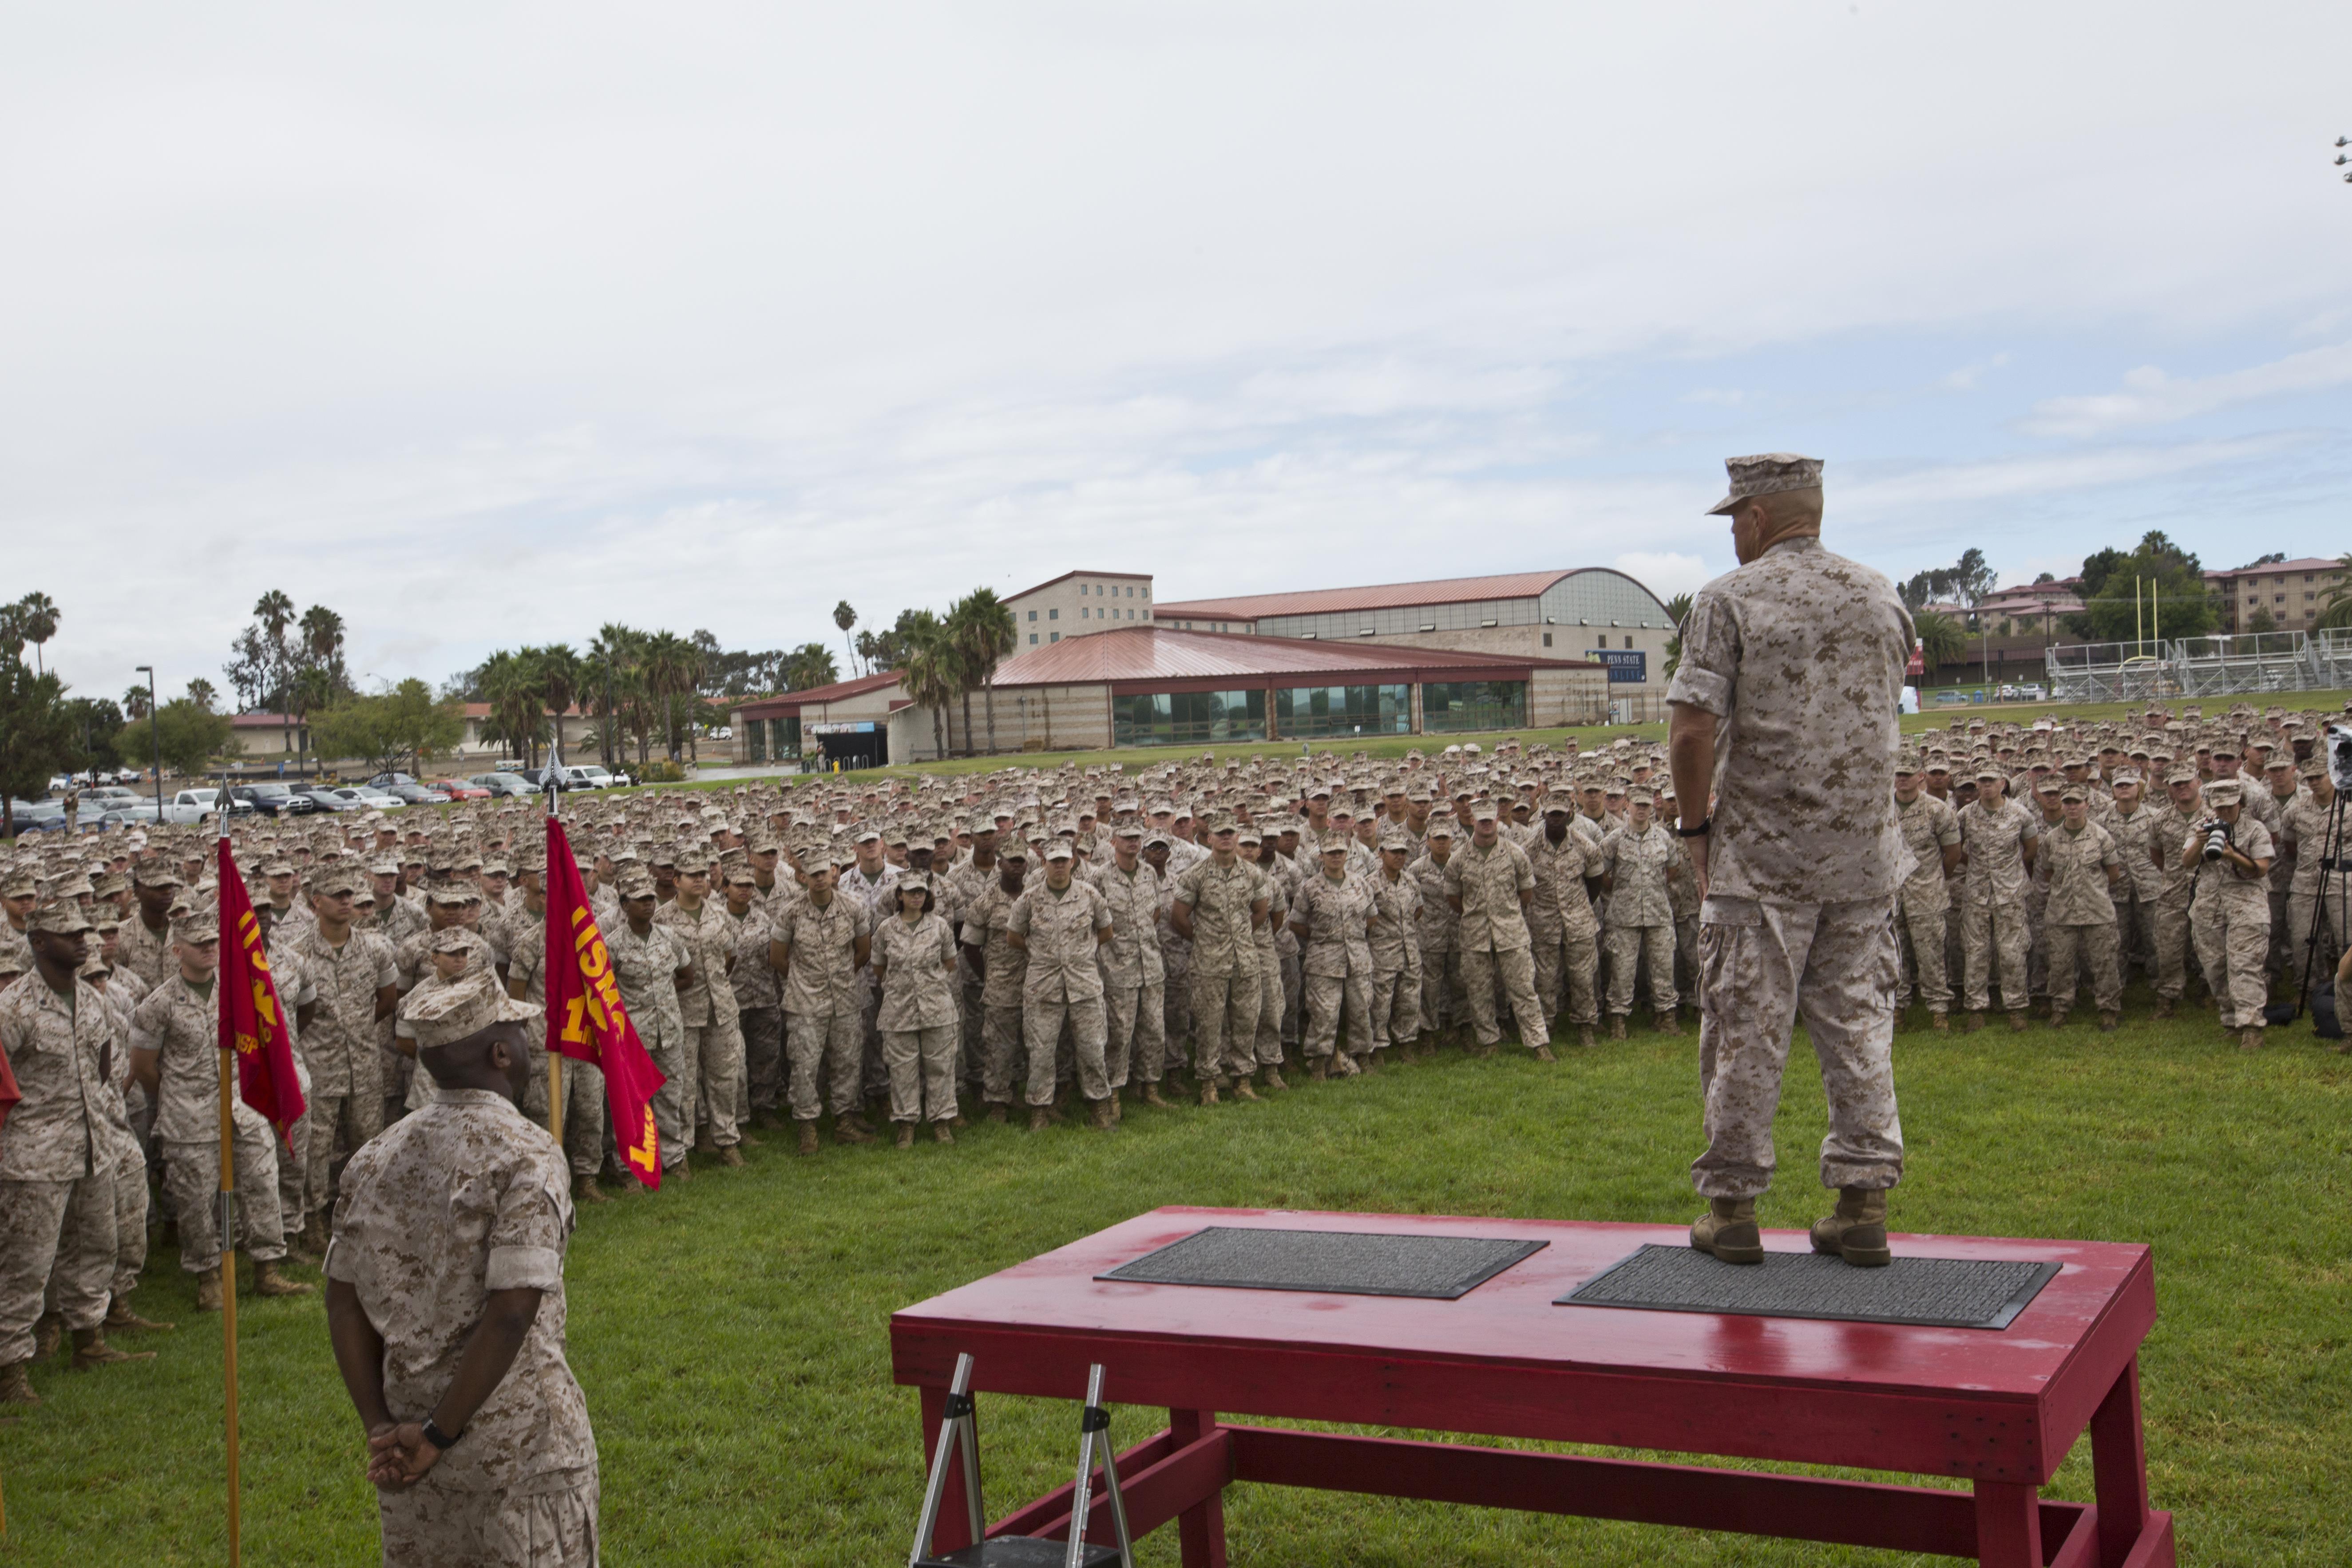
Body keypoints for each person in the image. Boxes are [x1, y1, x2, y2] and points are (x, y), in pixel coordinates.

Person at [1667, 452, 1909, 1269]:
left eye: (1734, 518)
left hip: (1761, 864)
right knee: (1859, 1028)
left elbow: (1691, 729)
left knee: (1745, 1030)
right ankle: (1862, 1206)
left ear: (1758, 517)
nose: (1733, 534)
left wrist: (1695, 830)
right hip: (1862, 861)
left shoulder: (1728, 599)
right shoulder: (1880, 594)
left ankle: (1732, 1210)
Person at [324, 970, 599, 1567]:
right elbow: (512, 1311)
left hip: (408, 1446)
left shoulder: (374, 1156)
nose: (527, 1042)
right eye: (518, 1031)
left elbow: (343, 1300)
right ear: (501, 1053)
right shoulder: (526, 1153)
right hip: (519, 1452)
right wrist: (438, 1434)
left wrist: (380, 1425)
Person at [0, 903, 151, 1402]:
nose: (83, 941)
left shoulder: (92, 1000)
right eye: (69, 935)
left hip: (93, 1148)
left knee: (95, 1249)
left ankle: (88, 1341)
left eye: (84, 932)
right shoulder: (13, 1007)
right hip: (33, 1158)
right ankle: (9, 1368)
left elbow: (105, 1066)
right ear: (39, 942)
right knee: (26, 1265)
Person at [128, 912, 313, 1310]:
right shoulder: (158, 1005)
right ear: (178, 951)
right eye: (199, 943)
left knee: (263, 1183)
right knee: (195, 1199)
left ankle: (267, 1267)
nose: (209, 948)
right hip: (190, 1116)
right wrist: (181, 1094)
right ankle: (207, 1275)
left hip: (245, 1107)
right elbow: (143, 1067)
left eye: (213, 941)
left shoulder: (240, 990)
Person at [1006, 839, 1116, 1131]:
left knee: (1093, 1049)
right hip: (1043, 985)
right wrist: (1039, 955)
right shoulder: (1029, 899)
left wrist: (1082, 953)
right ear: (1044, 863)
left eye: (1064, 860)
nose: (1059, 866)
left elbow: (1106, 931)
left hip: (1084, 984)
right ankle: (1040, 1110)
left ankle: (1099, 1108)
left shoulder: (1090, 895)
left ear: (1072, 862)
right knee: (1041, 1052)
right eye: (1053, 860)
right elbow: (1014, 937)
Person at [870, 875, 960, 1144]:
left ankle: (942, 1122)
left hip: (937, 1008)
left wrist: (929, 984)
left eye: (921, 892)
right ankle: (906, 1124)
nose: (917, 897)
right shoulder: (886, 929)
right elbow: (879, 967)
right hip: (899, 1009)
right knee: (902, 1070)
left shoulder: (940, 926)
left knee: (941, 1067)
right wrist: (901, 985)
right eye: (911, 892)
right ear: (900, 895)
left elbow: (950, 962)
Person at [2184, 778, 2274, 1050]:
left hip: (2247, 905)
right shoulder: (2202, 827)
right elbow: (2187, 862)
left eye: (2230, 806)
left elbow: (2261, 868)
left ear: (2240, 803)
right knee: (2215, 966)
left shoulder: (2255, 829)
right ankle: (2232, 1022)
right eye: (2219, 807)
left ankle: (2252, 1027)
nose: (2224, 812)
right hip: (2209, 907)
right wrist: (2200, 843)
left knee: (2245, 965)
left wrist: (2232, 854)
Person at [2039, 786, 2124, 1029]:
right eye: (2068, 803)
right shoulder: (2051, 839)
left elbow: (2113, 873)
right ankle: (2060, 1008)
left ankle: (2108, 1009)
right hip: (2061, 911)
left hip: (2097, 910)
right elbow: (2048, 873)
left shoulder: (2101, 836)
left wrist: (2092, 890)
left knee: (2105, 962)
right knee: (2060, 963)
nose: (2072, 807)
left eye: (2077, 802)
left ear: (2087, 804)